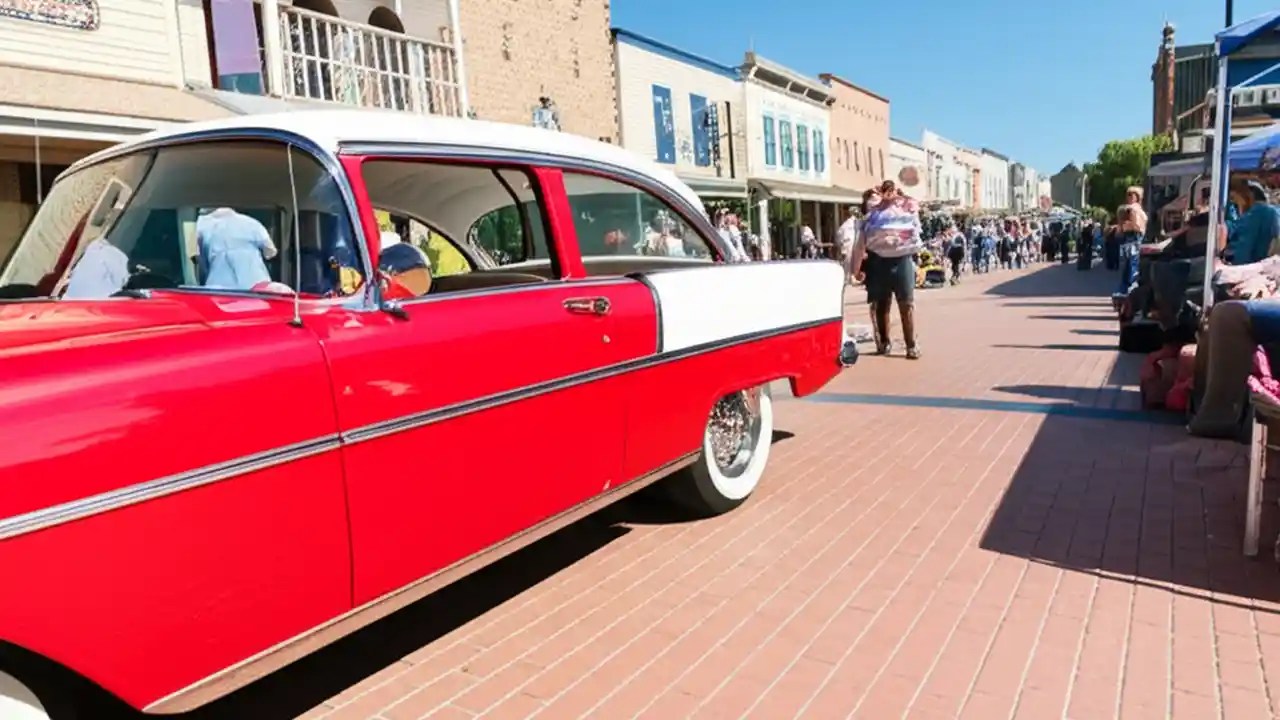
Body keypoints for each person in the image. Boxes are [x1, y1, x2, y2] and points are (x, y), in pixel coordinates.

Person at [850, 181, 923, 359]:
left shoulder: (907, 208)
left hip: (902, 261)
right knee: (882, 306)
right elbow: (859, 246)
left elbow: (914, 209)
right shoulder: (870, 216)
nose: (885, 195)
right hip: (878, 262)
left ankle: (911, 345)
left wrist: (899, 195)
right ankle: (884, 342)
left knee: (906, 304)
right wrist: (856, 269)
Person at [1223, 179, 1280, 266]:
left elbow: (1243, 248)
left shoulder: (1255, 215)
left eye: (1235, 199)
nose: (1236, 204)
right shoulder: (1272, 212)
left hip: (1250, 266)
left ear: (1248, 196)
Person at [1114, 187, 1148, 294]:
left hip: (1135, 236)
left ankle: (1125, 289)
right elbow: (1132, 224)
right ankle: (1129, 289)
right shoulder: (1131, 209)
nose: (1130, 197)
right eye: (1129, 195)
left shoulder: (1136, 208)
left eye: (1133, 195)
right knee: (1132, 263)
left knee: (1131, 263)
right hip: (1134, 236)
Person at [835, 205, 860, 286]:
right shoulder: (849, 223)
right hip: (849, 244)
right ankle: (847, 279)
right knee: (849, 262)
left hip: (852, 244)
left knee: (852, 262)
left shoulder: (852, 223)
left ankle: (851, 278)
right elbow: (840, 235)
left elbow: (839, 235)